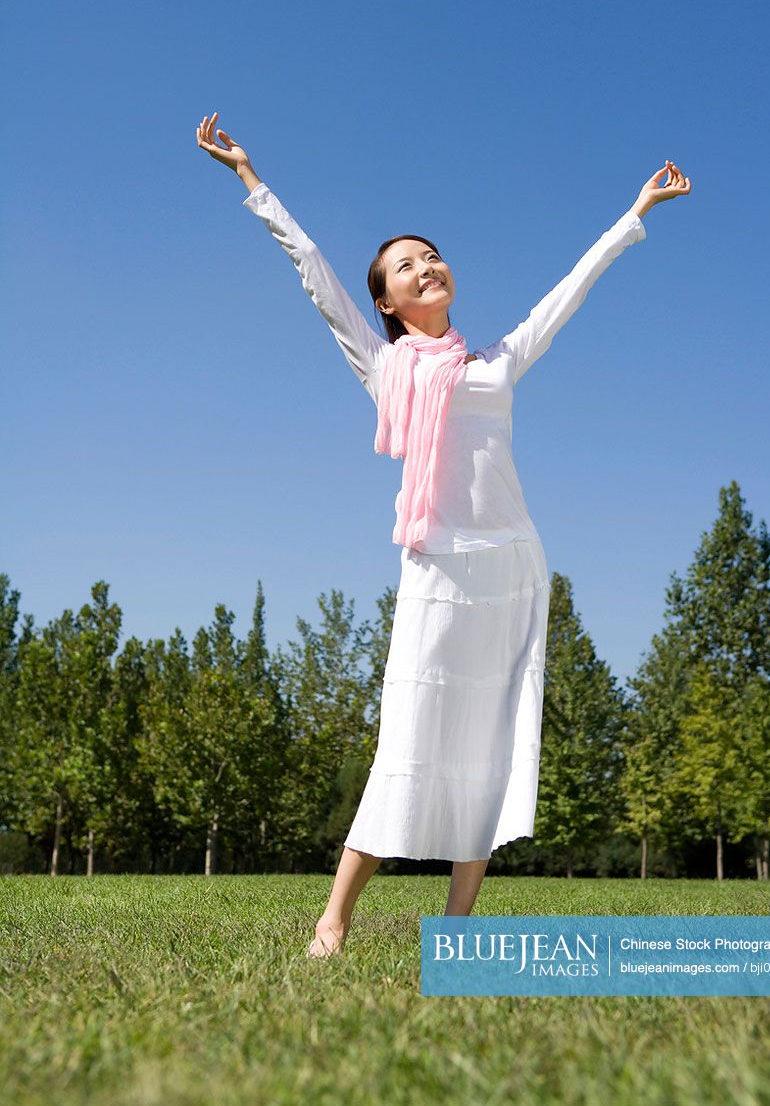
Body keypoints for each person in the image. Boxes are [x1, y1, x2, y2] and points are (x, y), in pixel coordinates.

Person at [196, 112, 691, 957]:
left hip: (511, 567)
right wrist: (251, 180)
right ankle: (333, 918)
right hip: (435, 568)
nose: (425, 266)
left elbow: (570, 290)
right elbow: (312, 273)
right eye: (404, 265)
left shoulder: (493, 361)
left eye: (429, 255)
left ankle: (457, 932)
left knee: (491, 747)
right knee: (411, 737)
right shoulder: (384, 365)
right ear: (385, 301)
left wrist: (634, 214)